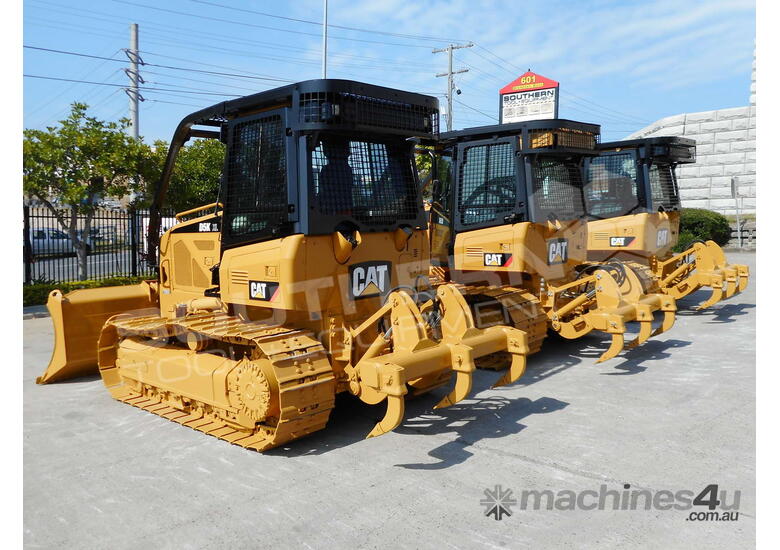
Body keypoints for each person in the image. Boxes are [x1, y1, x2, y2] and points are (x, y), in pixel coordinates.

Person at [317, 136, 354, 216]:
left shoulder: (326, 170)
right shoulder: (347, 169)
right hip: (343, 211)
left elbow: (323, 193)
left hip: (333, 212)